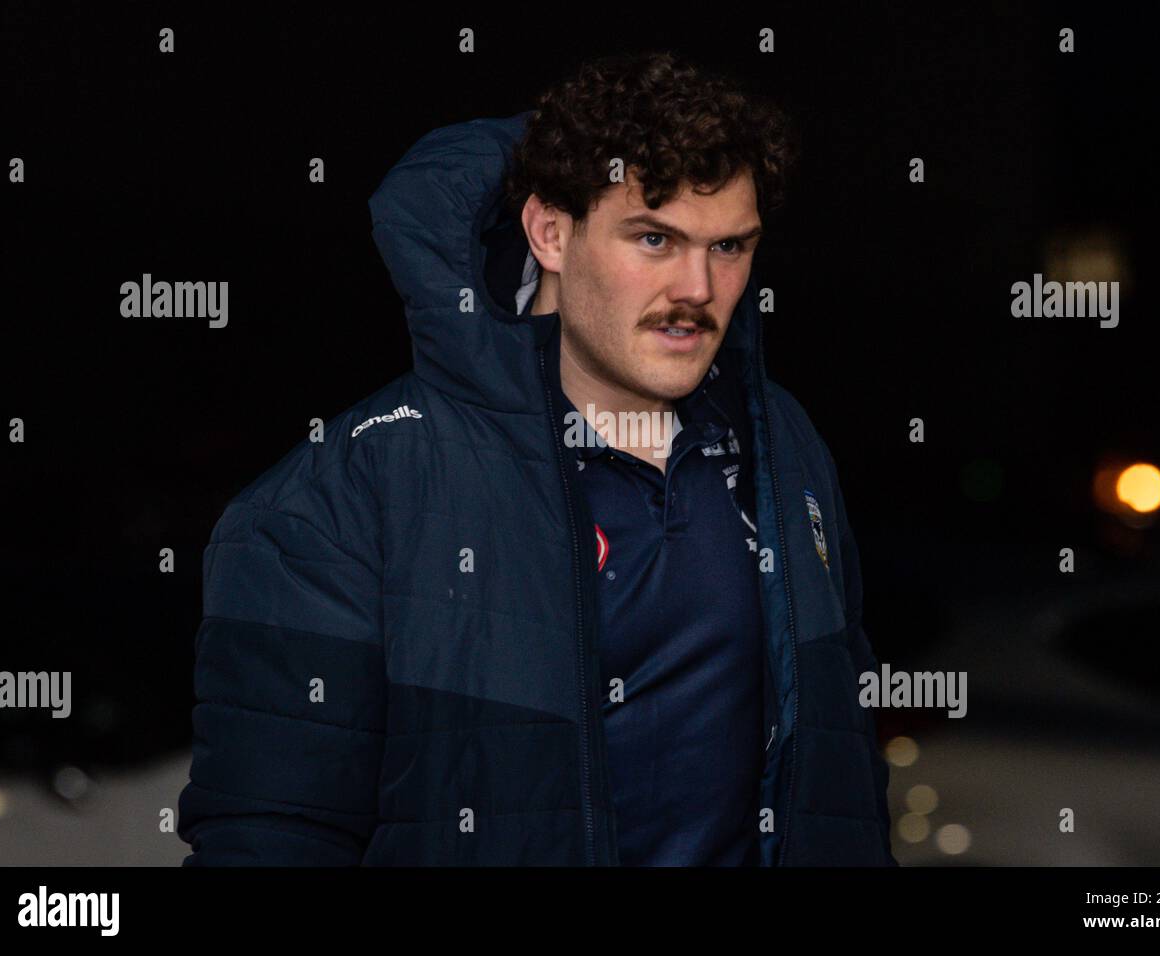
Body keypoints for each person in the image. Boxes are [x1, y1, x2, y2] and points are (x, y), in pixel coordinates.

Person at [177, 50, 896, 866]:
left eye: (729, 247)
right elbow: (271, 836)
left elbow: (840, 778)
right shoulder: (349, 491)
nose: (698, 286)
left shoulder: (783, 447)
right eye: (654, 238)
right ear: (550, 231)